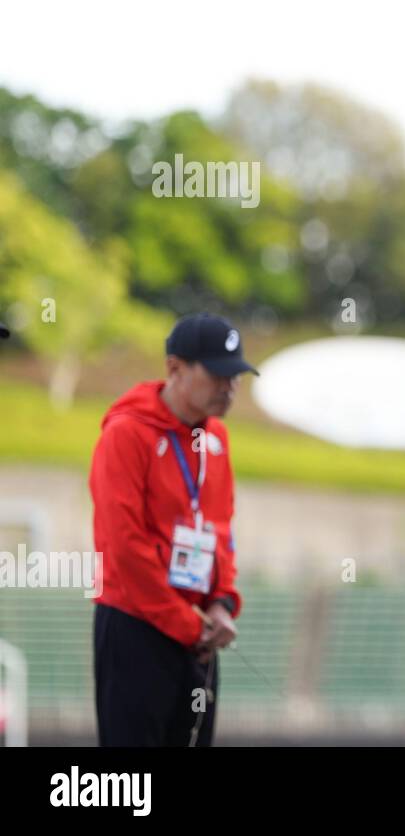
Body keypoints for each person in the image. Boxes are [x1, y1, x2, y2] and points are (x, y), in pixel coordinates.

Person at [90, 313, 256, 746]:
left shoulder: (217, 439)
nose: (230, 387)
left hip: (198, 631)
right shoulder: (126, 434)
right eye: (218, 374)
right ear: (175, 368)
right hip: (136, 627)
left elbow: (221, 531)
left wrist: (221, 603)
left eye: (236, 376)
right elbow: (125, 548)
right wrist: (187, 624)